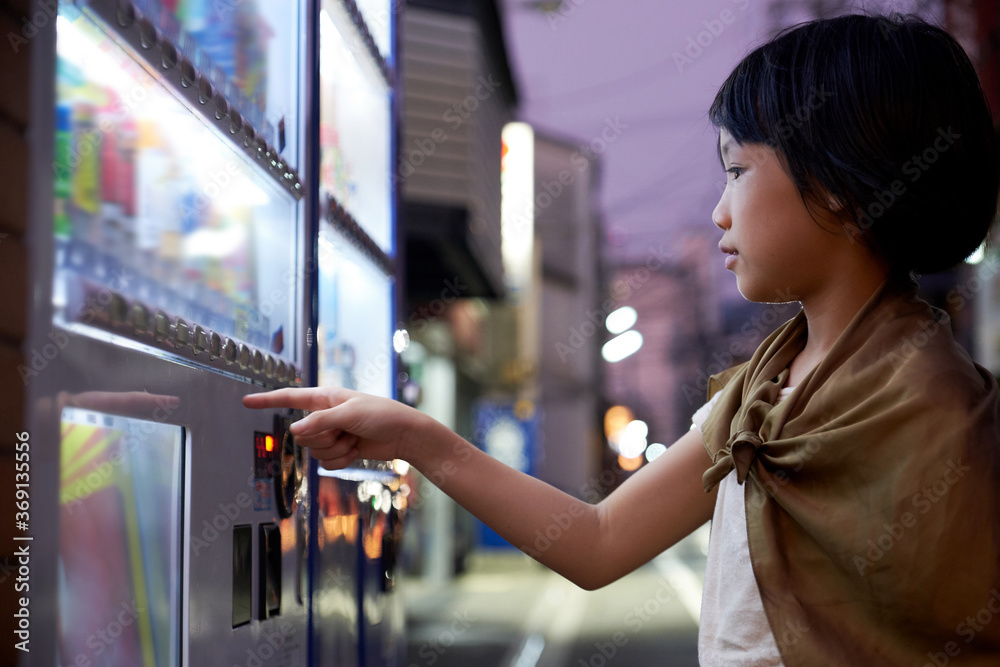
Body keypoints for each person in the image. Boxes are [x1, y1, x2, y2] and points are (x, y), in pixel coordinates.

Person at [245, 12, 1000, 666]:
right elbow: (598, 541)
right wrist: (419, 437)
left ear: (838, 183)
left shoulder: (939, 411)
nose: (719, 213)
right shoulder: (760, 393)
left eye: (737, 171)